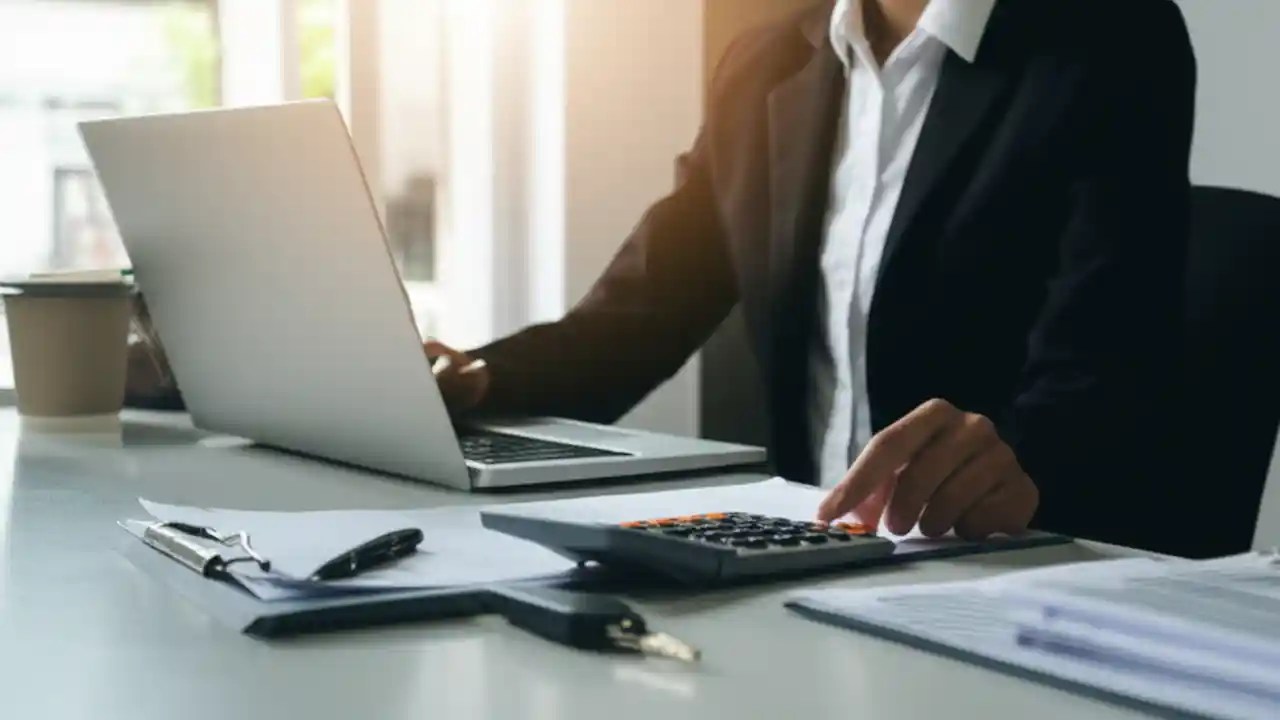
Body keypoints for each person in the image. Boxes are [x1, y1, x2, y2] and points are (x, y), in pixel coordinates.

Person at [131, 0, 1197, 551]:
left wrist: (1010, 461)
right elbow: (628, 321)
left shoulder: (1106, 42)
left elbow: (1101, 377)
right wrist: (466, 384)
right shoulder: (770, 62)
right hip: (791, 562)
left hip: (988, 574)